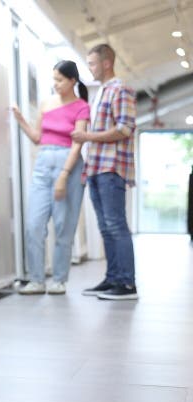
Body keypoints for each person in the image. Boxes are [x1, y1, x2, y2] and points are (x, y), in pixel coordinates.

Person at [11, 60, 90, 295]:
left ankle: (59, 280)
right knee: (34, 225)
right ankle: (36, 279)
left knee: (64, 226)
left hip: (69, 165)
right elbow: (37, 137)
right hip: (43, 163)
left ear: (72, 81)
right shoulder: (46, 103)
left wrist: (64, 176)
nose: (55, 84)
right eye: (53, 79)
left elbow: (78, 141)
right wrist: (20, 119)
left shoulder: (81, 106)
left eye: (59, 79)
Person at [70, 43, 138, 300]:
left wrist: (87, 136)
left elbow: (125, 128)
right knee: (106, 227)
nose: (90, 68)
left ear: (106, 63)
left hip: (112, 168)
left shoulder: (120, 90)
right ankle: (113, 279)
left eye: (93, 63)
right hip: (97, 168)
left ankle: (127, 284)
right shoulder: (102, 92)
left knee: (116, 225)